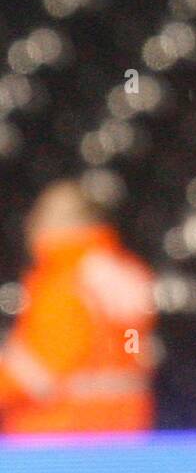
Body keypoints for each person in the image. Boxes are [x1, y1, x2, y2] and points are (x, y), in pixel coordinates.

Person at [0, 181, 156, 435]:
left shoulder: (64, 281)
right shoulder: (127, 271)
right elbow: (134, 347)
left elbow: (41, 368)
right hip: (127, 425)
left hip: (62, 431)